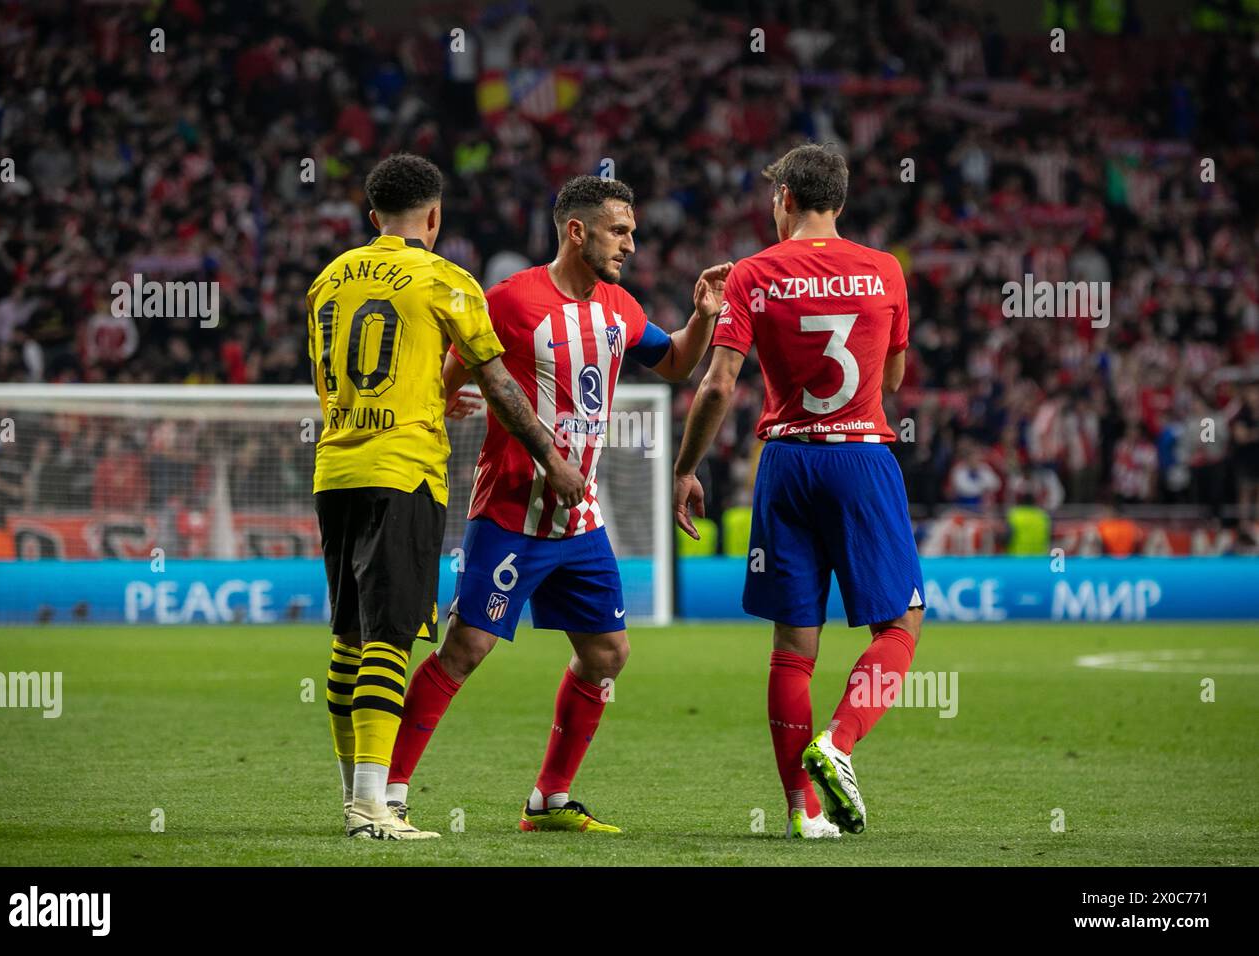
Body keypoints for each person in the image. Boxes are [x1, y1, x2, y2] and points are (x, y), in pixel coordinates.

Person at [384, 175, 731, 833]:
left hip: (580, 521)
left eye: (631, 231)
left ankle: (547, 801)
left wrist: (704, 315)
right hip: (512, 513)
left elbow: (678, 363)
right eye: (619, 231)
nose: (631, 242)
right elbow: (451, 369)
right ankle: (390, 791)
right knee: (465, 649)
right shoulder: (512, 302)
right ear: (577, 231)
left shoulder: (620, 308)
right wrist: (450, 396)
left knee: (607, 654)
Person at [307, 154, 584, 841]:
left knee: (347, 641)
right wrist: (551, 456)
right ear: (434, 217)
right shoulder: (447, 279)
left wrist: (428, 392)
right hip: (404, 473)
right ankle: (373, 810)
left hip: (336, 470)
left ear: (372, 217)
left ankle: (355, 799)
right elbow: (500, 383)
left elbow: (366, 371)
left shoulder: (328, 279)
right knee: (390, 639)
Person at [673, 144, 925, 839]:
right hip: (860, 459)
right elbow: (895, 381)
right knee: (900, 624)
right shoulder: (884, 270)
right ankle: (838, 745)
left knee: (793, 645)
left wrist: (684, 470)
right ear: (837, 201)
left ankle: (803, 813)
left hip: (784, 461)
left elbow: (719, 383)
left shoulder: (753, 273)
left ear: (783, 198)